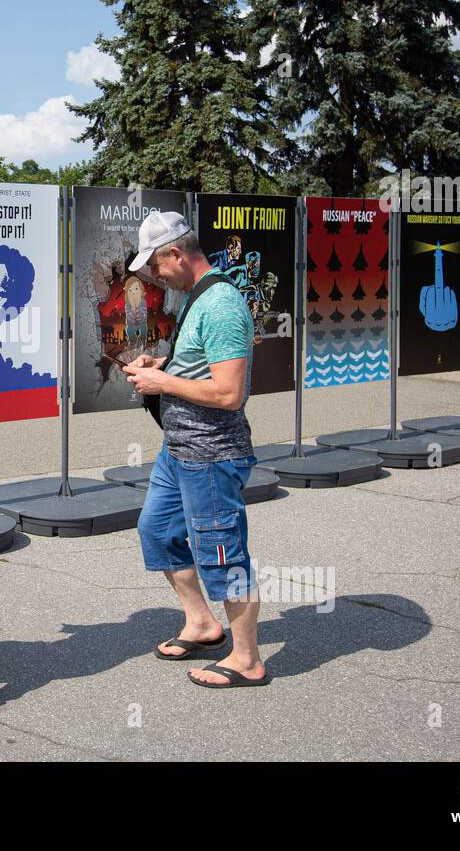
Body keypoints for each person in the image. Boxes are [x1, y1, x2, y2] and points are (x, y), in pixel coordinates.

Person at [121, 210, 268, 689]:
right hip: (179, 448)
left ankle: (247, 658)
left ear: (176, 255)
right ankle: (203, 624)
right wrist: (162, 363)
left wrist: (161, 380)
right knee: (158, 532)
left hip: (211, 454)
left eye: (156, 266)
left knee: (222, 553)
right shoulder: (198, 298)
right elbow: (199, 363)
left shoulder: (222, 304)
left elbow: (228, 393)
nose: (154, 276)